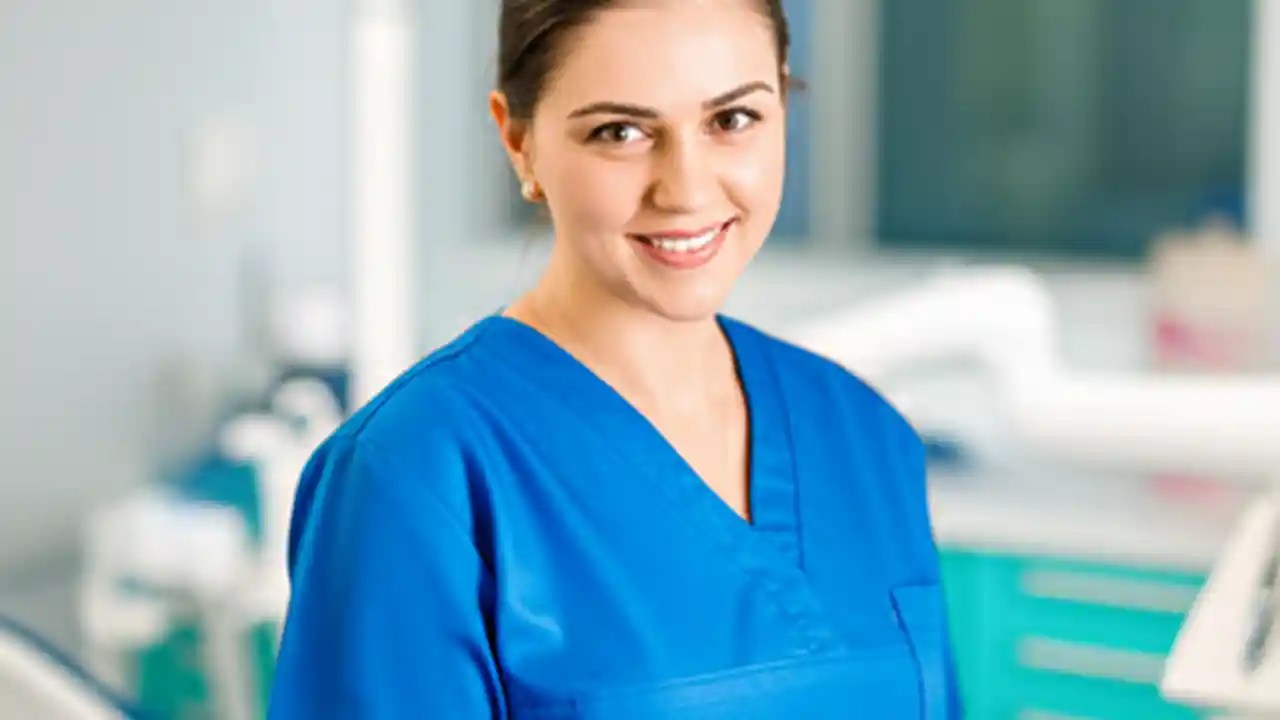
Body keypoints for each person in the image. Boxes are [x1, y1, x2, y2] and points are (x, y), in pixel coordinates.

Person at [268, 0, 962, 717]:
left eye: (732, 120)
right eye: (621, 132)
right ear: (519, 141)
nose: (687, 189)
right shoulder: (416, 472)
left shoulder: (864, 434)